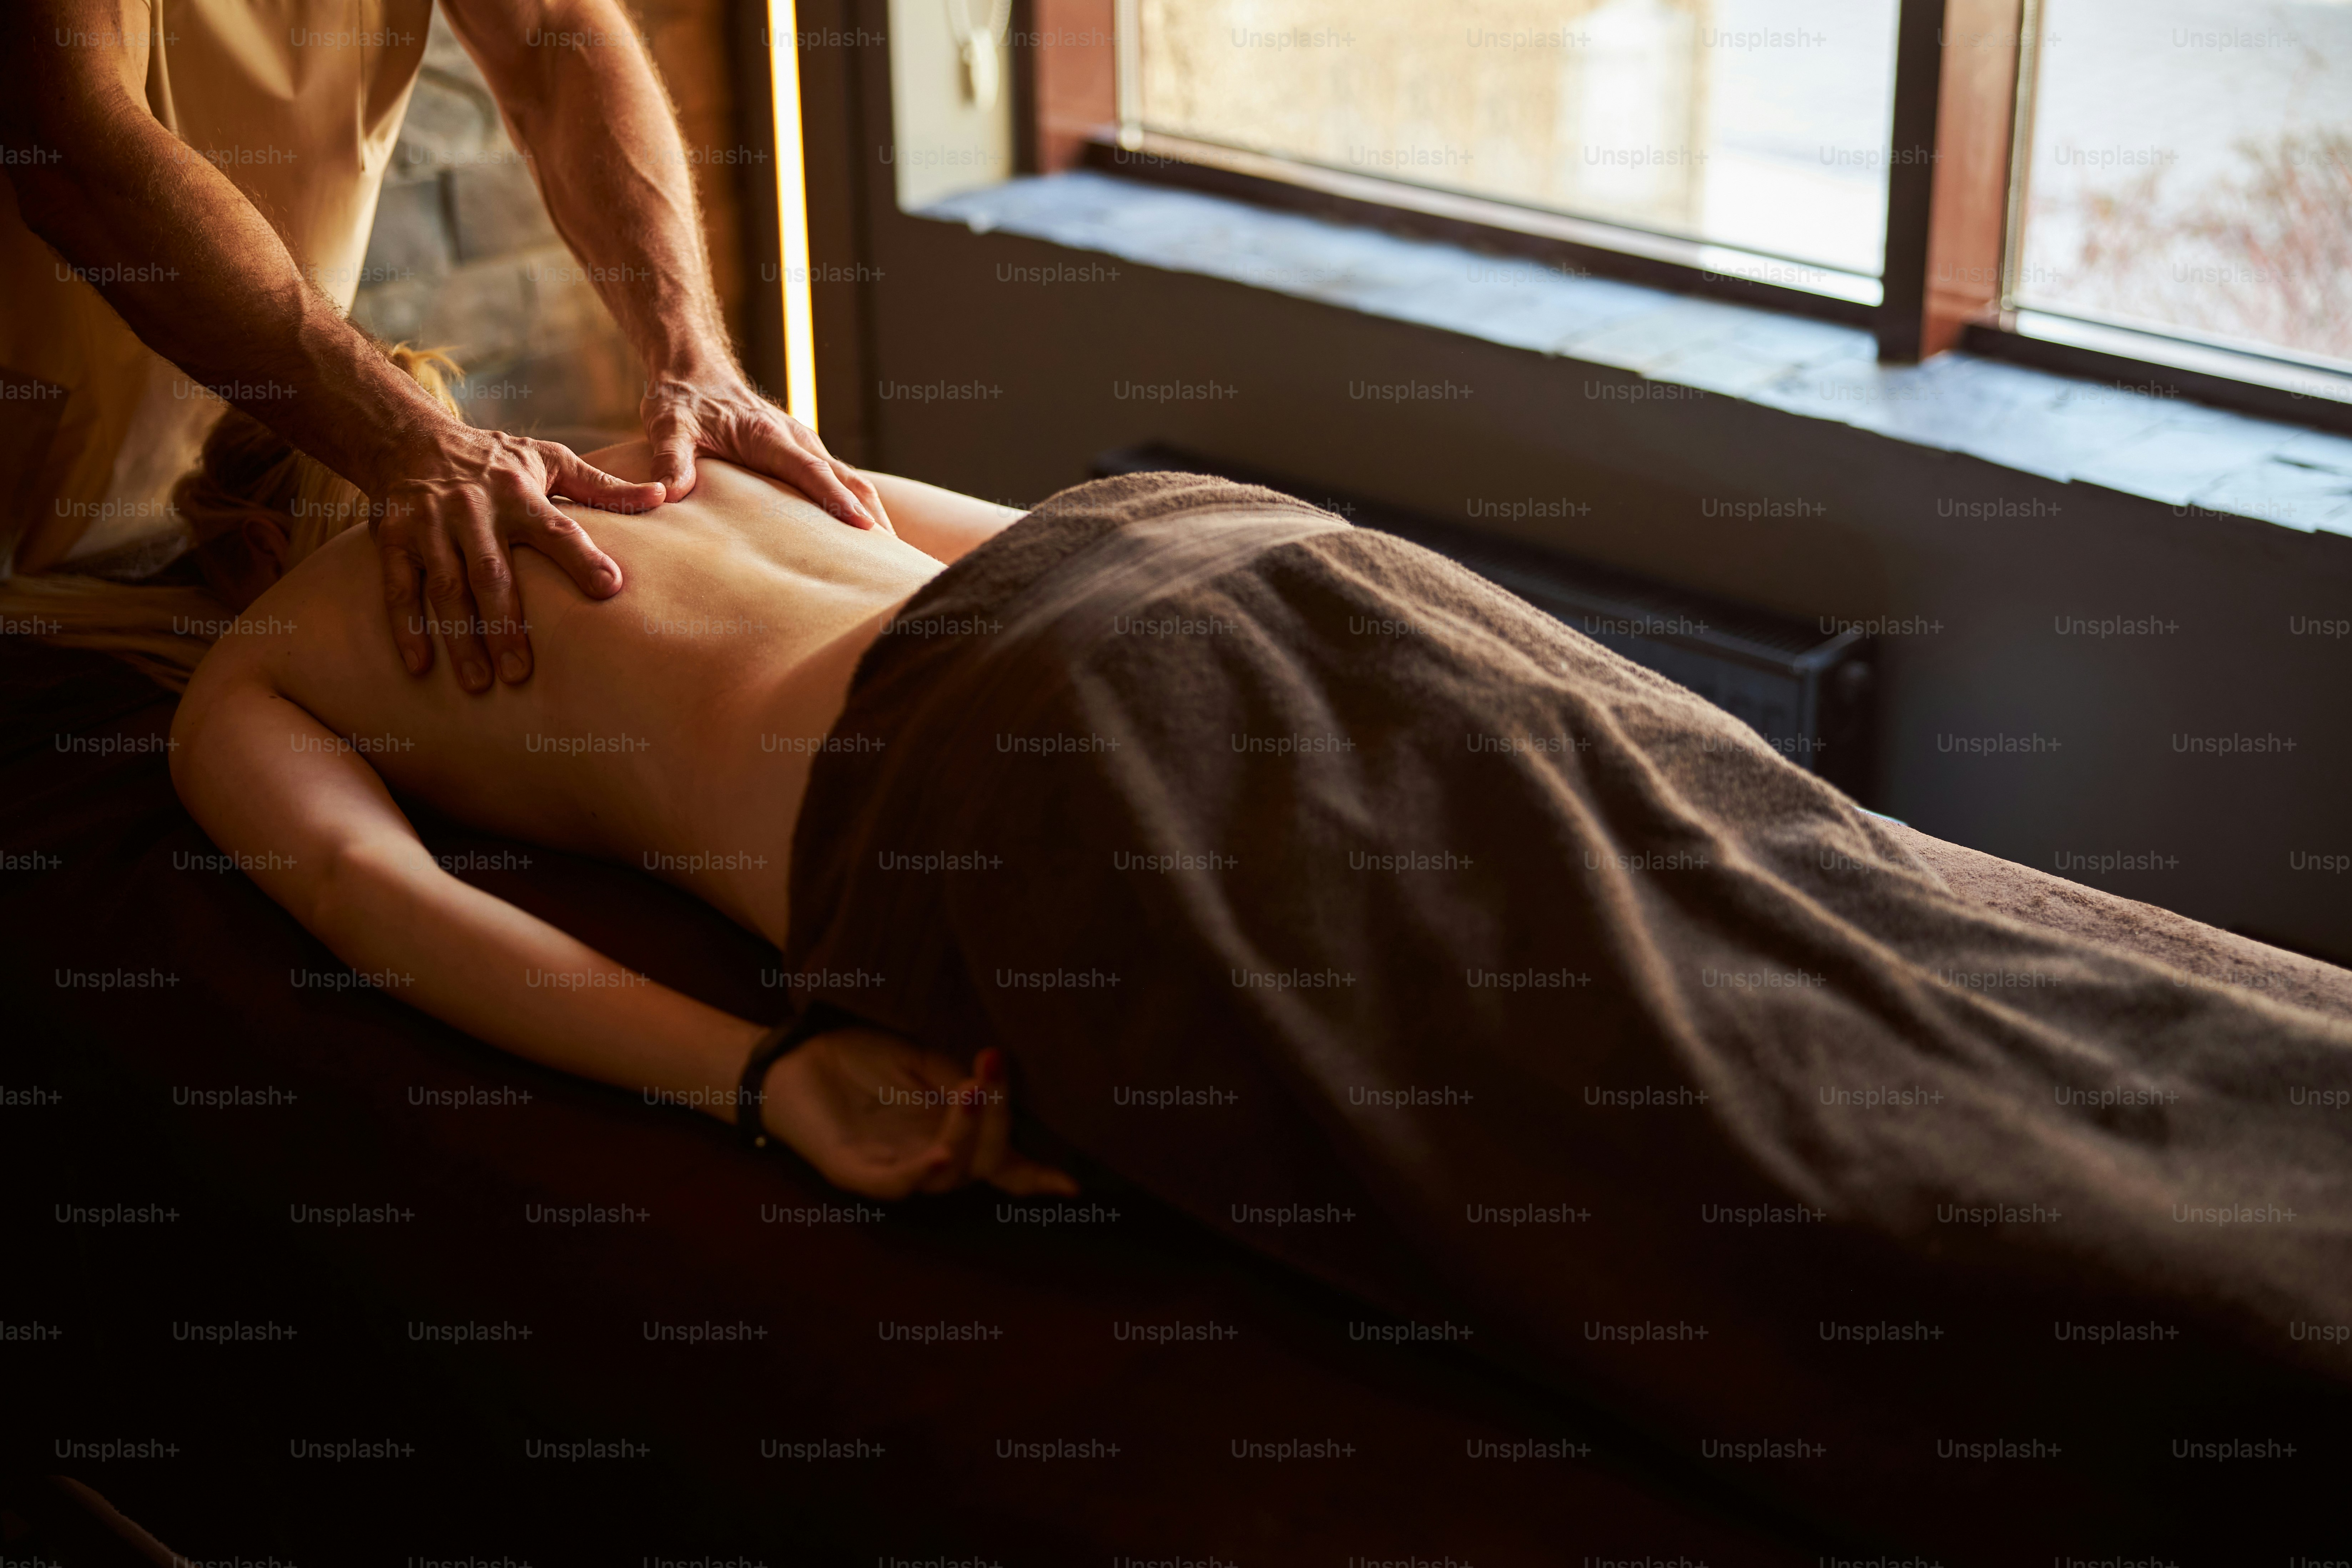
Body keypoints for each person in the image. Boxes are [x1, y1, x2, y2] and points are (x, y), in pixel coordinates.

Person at [10, 346, 2350, 1557]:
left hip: (1030, 758)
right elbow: (974, 538)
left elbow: (410, 930)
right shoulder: (638, 440)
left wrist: (755, 1080)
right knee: (1831, 914)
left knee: (1700, 1134)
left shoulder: (253, 683)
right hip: (1228, 568)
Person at [2, 0, 882, 694]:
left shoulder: (261, 692)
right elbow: (72, 136)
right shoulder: (267, 692)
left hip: (271, 405)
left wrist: (699, 361)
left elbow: (556, 35)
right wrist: (399, 435)